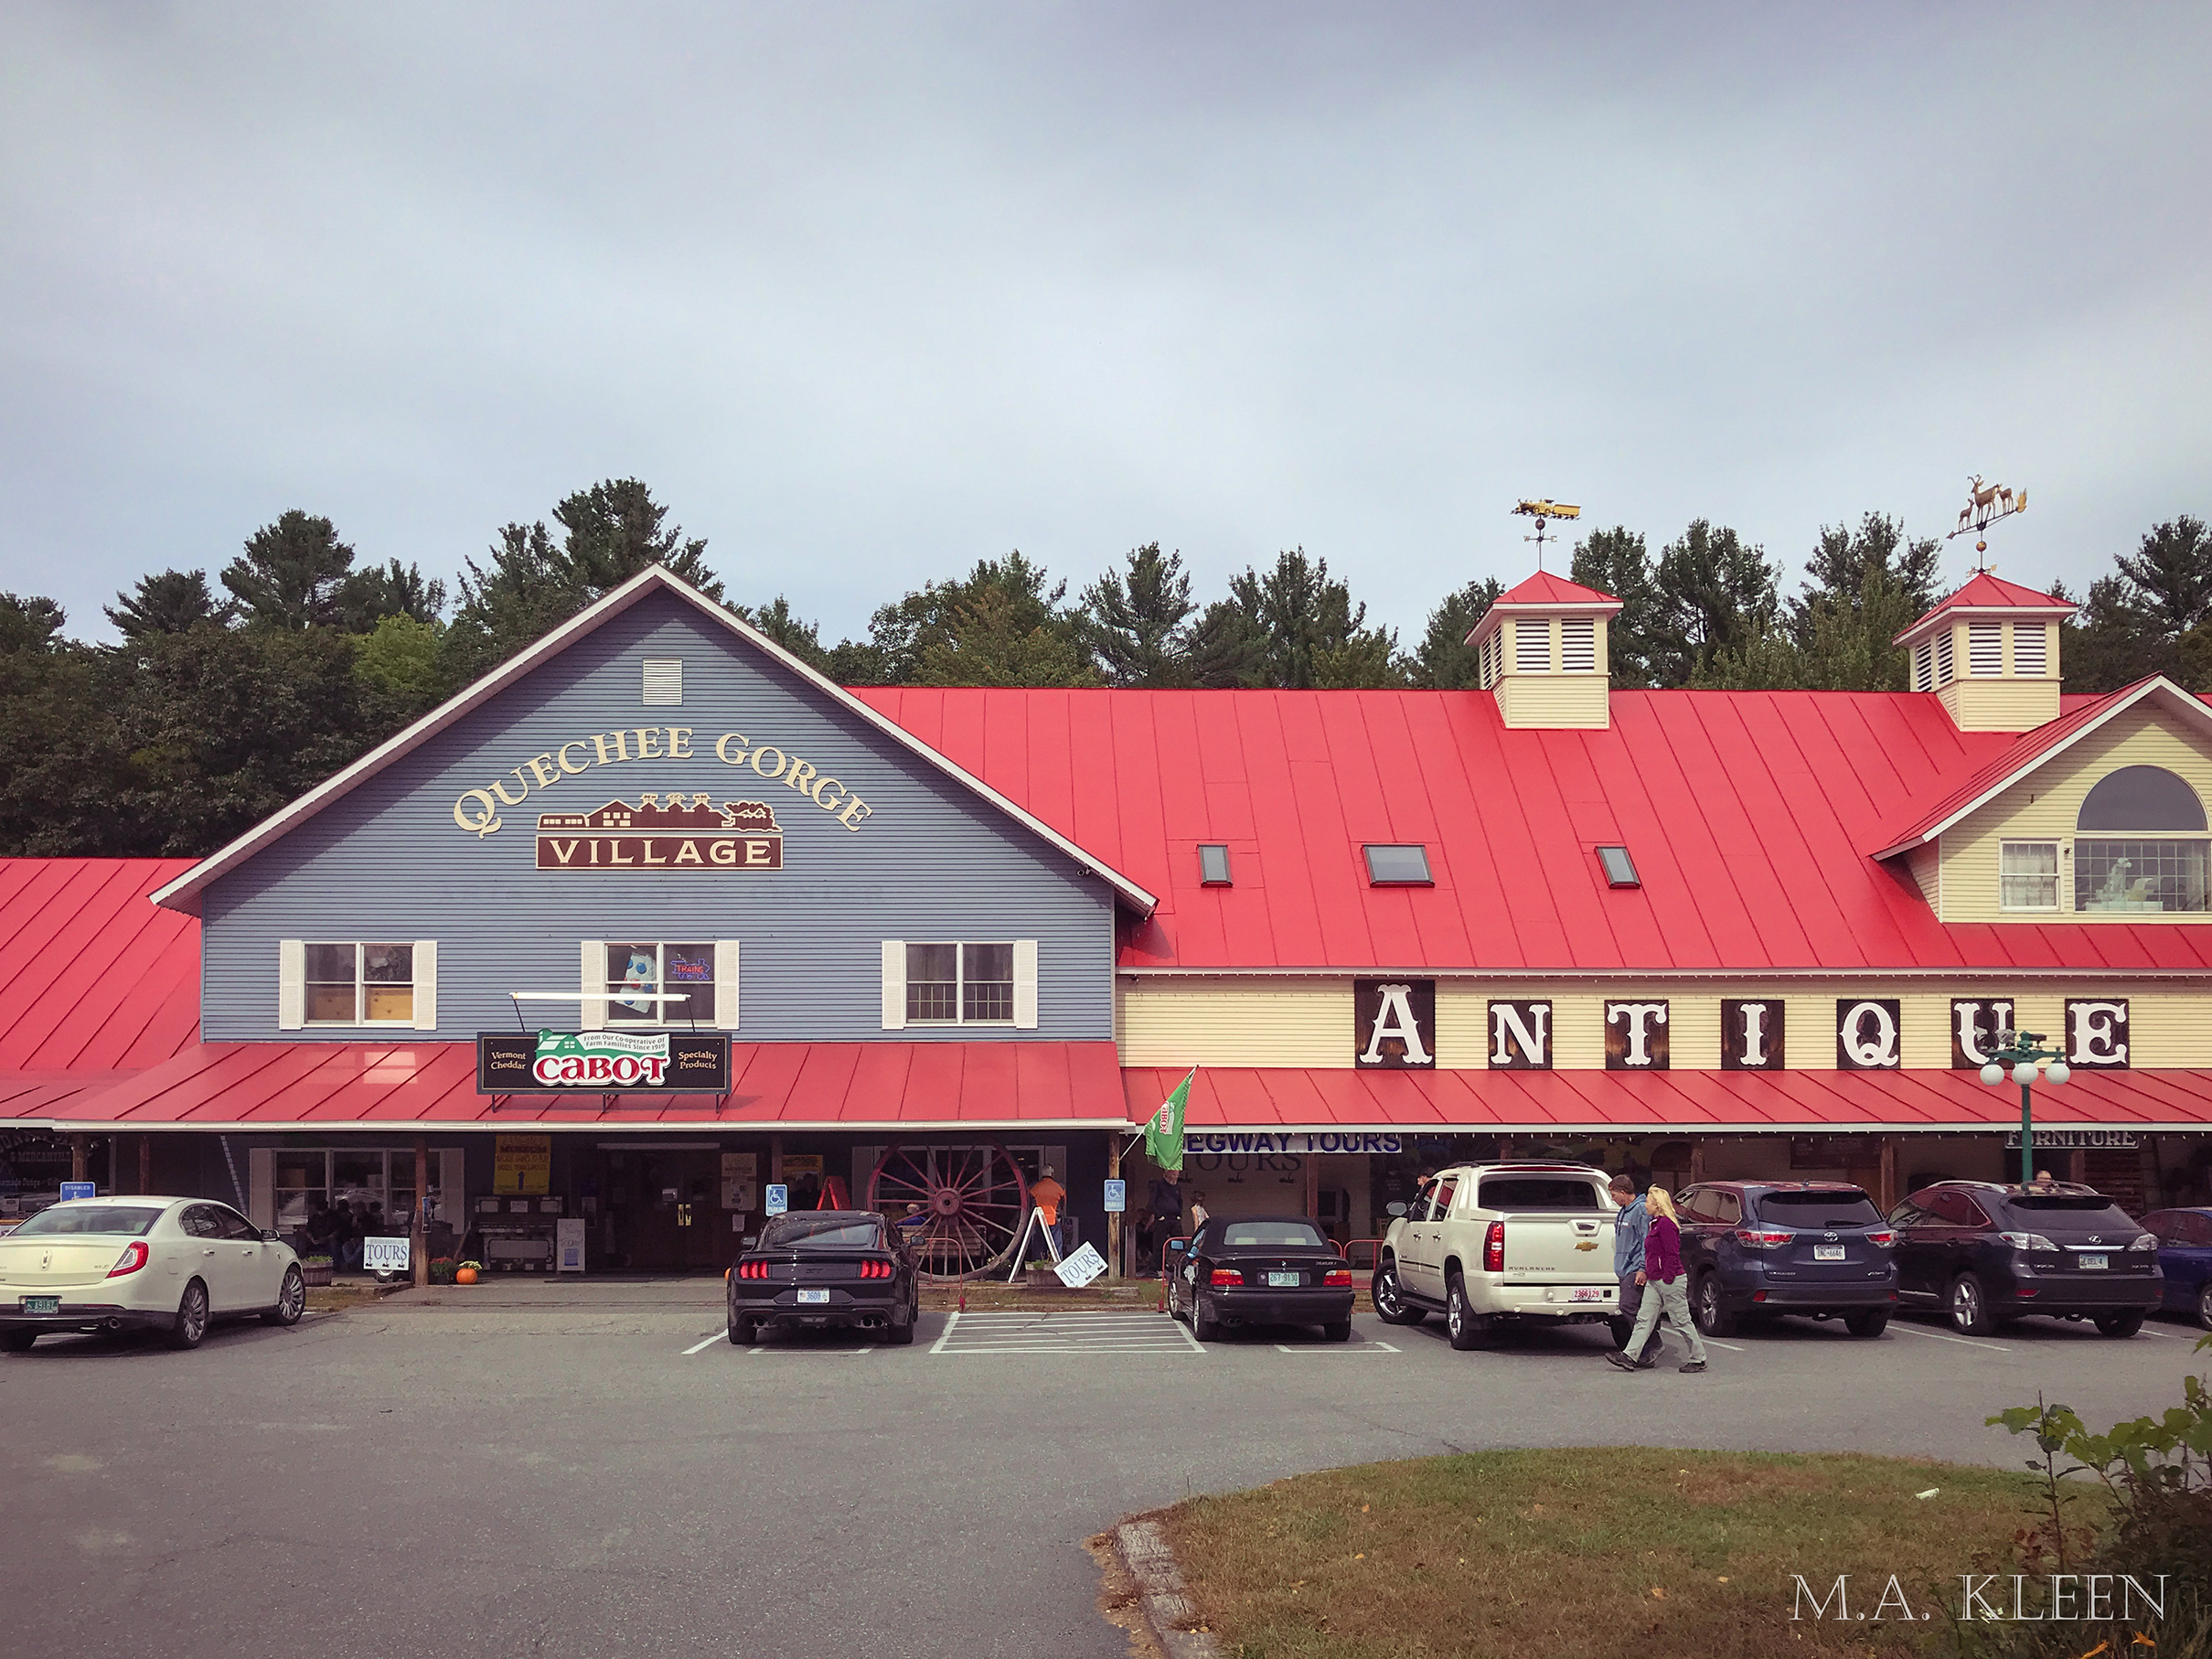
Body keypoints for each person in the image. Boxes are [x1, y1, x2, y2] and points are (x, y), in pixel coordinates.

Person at [1606, 1186, 1707, 1375]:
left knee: (1681, 1321)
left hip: (1669, 1280)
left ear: (1657, 1205)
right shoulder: (1655, 1223)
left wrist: (1667, 1278)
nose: (1645, 1205)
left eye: (1649, 1202)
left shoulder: (1667, 1225)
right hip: (1655, 1280)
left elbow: (1672, 1254)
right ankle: (1629, 1356)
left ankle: (1698, 1357)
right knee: (1644, 1319)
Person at [1608, 1173, 1661, 1369]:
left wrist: (1642, 1268)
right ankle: (1641, 1352)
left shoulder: (1639, 1210)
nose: (1613, 1198)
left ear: (1623, 1192)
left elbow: (1645, 1242)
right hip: (1623, 1268)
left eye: (1614, 1194)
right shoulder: (1624, 1211)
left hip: (1634, 1268)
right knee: (1632, 1308)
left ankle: (1652, 1342)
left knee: (1628, 1306)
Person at [1031, 1164, 1066, 1258]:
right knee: (1056, 1247)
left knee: (1038, 1246)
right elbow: (1063, 1203)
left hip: (1039, 1220)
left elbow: (1030, 1202)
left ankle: (1037, 1265)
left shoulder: (1034, 1187)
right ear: (1052, 1173)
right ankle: (1057, 1265)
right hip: (1054, 1219)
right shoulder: (1059, 1187)